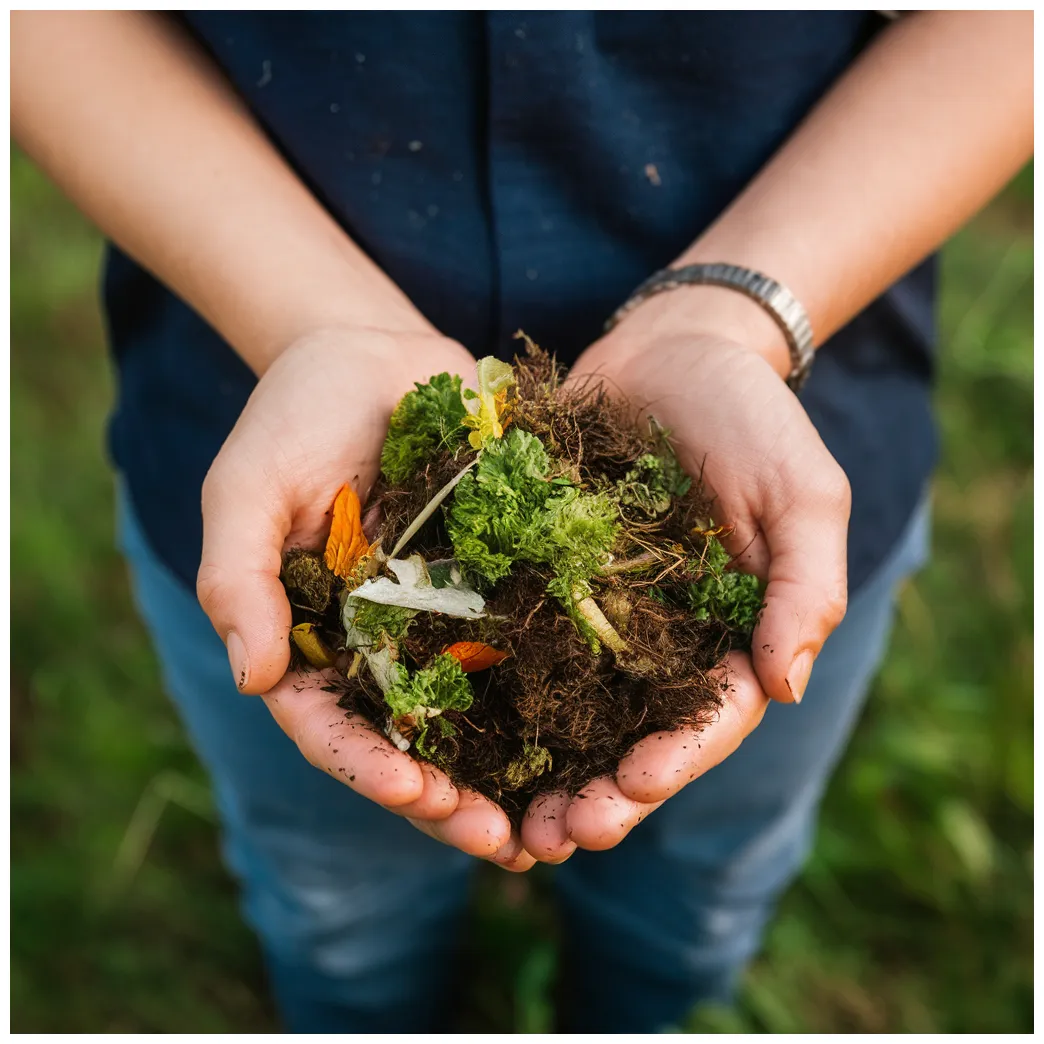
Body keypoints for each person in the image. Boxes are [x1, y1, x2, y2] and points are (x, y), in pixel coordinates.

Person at [12, 11, 1032, 1034]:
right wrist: (313, 319)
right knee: (336, 903)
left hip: (774, 426)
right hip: (260, 420)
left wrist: (736, 312)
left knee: (696, 897)